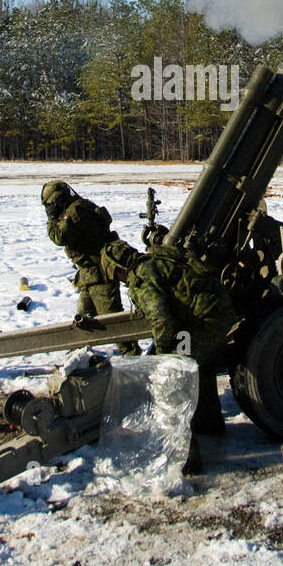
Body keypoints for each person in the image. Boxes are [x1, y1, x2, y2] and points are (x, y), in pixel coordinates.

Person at [100, 238, 236, 436]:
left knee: (173, 378)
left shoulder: (142, 280)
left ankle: (185, 455)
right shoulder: (154, 261)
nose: (118, 280)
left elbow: (161, 320)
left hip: (207, 319)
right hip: (215, 310)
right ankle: (209, 426)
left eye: (115, 274)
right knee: (202, 367)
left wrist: (164, 355)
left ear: (119, 268)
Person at [41, 180, 139, 355]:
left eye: (50, 204)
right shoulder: (81, 205)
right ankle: (78, 352)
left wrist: (51, 219)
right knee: (83, 318)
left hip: (100, 274)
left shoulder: (75, 211)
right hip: (89, 275)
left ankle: (131, 355)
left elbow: (59, 237)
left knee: (113, 322)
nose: (50, 207)